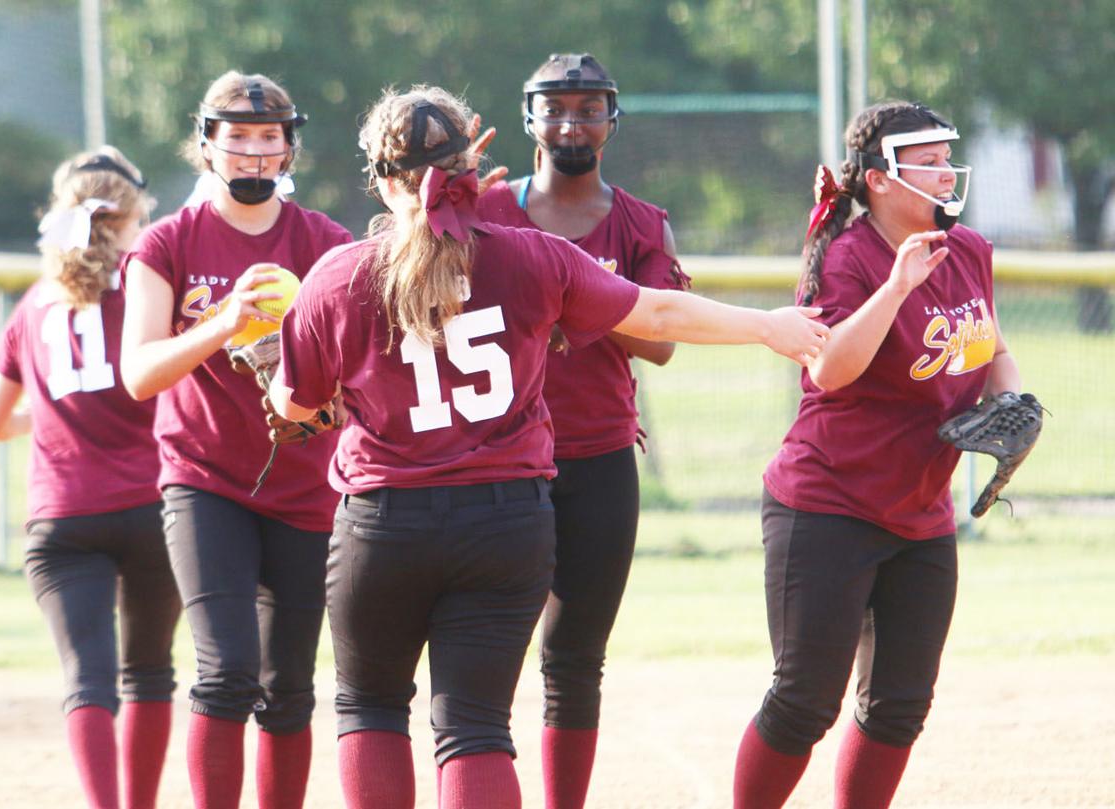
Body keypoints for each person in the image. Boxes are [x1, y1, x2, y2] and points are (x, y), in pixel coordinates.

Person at [267, 85, 828, 809]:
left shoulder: (337, 277)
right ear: (471, 165)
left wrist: (282, 371)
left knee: (370, 707)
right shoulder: (534, 255)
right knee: (474, 726)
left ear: (379, 178)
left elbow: (295, 405)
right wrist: (767, 326)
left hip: (384, 524)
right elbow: (658, 313)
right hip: (504, 522)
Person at [732, 101, 1023, 809]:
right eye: (928, 162)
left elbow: (993, 349)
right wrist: (897, 286)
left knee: (899, 704)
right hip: (827, 504)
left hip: (920, 513)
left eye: (946, 158)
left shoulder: (967, 249)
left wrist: (1012, 400)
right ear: (880, 180)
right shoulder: (847, 257)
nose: (946, 172)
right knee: (804, 700)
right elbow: (830, 369)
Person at [120, 71, 353, 809]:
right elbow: (139, 374)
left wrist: (316, 383)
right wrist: (225, 323)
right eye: (238, 136)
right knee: (225, 673)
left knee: (289, 688)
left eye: (268, 137)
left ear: (289, 149)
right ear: (206, 144)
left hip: (305, 483)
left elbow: (359, 368)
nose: (254, 152)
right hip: (205, 479)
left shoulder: (324, 241)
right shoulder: (168, 241)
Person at [474, 52, 690, 809]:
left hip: (598, 456)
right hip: (496, 459)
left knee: (574, 659)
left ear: (612, 120)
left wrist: (570, 296)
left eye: (589, 109)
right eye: (556, 109)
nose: (572, 123)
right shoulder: (486, 208)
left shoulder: (641, 222)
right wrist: (592, 296)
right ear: (529, 117)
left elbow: (661, 341)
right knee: (485, 656)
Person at [0, 146, 181, 809]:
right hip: (151, 506)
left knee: (87, 678)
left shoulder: (35, 304)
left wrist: (54, 413)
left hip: (63, 514)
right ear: (128, 219)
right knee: (149, 672)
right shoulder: (148, 292)